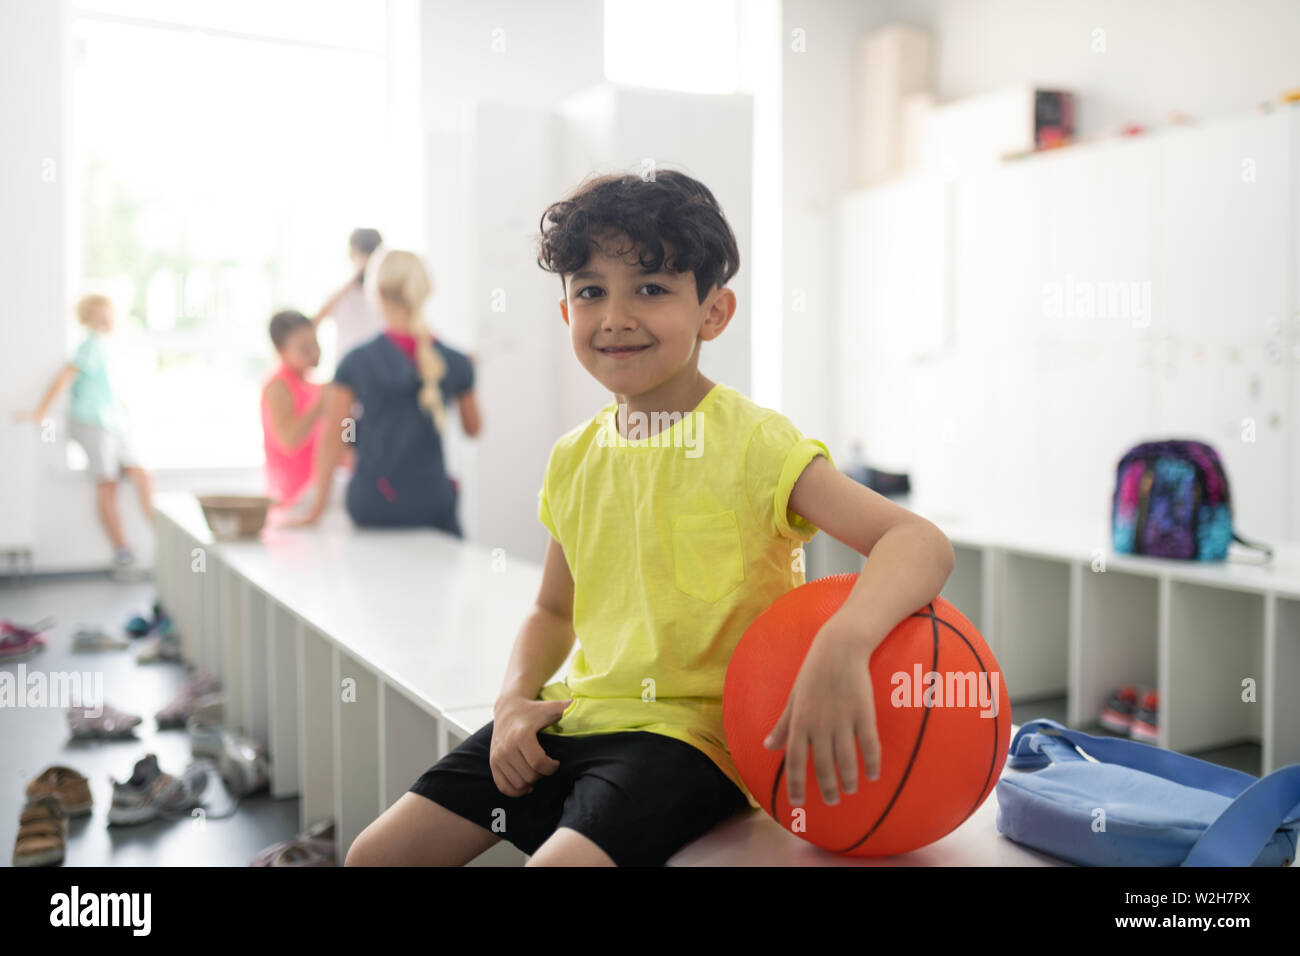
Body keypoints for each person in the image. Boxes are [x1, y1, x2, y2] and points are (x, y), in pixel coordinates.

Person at [346, 168, 957, 867]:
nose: (616, 317)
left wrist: (843, 644)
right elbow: (552, 611)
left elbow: (916, 540)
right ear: (566, 311)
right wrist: (513, 700)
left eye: (653, 288)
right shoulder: (574, 457)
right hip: (574, 718)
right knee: (374, 855)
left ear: (714, 313)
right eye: (591, 292)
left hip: (695, 741)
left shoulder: (755, 442)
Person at [295, 249, 480, 533]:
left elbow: (337, 436)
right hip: (431, 505)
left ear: (377, 292)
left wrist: (317, 508)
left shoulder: (355, 362)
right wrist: (467, 377)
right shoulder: (455, 361)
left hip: (374, 504)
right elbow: (472, 428)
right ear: (423, 291)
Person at [23, 294, 153, 579]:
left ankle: (162, 543)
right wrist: (41, 412)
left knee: (142, 476)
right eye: (103, 314)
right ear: (91, 317)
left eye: (110, 313)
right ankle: (123, 554)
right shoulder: (89, 345)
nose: (109, 319)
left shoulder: (106, 347)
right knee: (108, 485)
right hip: (92, 424)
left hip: (112, 424)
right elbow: (63, 378)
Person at [260, 310, 325, 520]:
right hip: (292, 496)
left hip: (316, 491)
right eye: (305, 348)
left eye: (315, 344)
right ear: (281, 351)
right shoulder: (278, 386)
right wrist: (320, 406)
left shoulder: (314, 386)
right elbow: (288, 440)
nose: (315, 353)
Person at [314, 228, 385, 361]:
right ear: (351, 255)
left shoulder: (384, 295)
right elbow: (314, 323)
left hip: (377, 366)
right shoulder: (339, 294)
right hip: (346, 366)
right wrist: (353, 280)